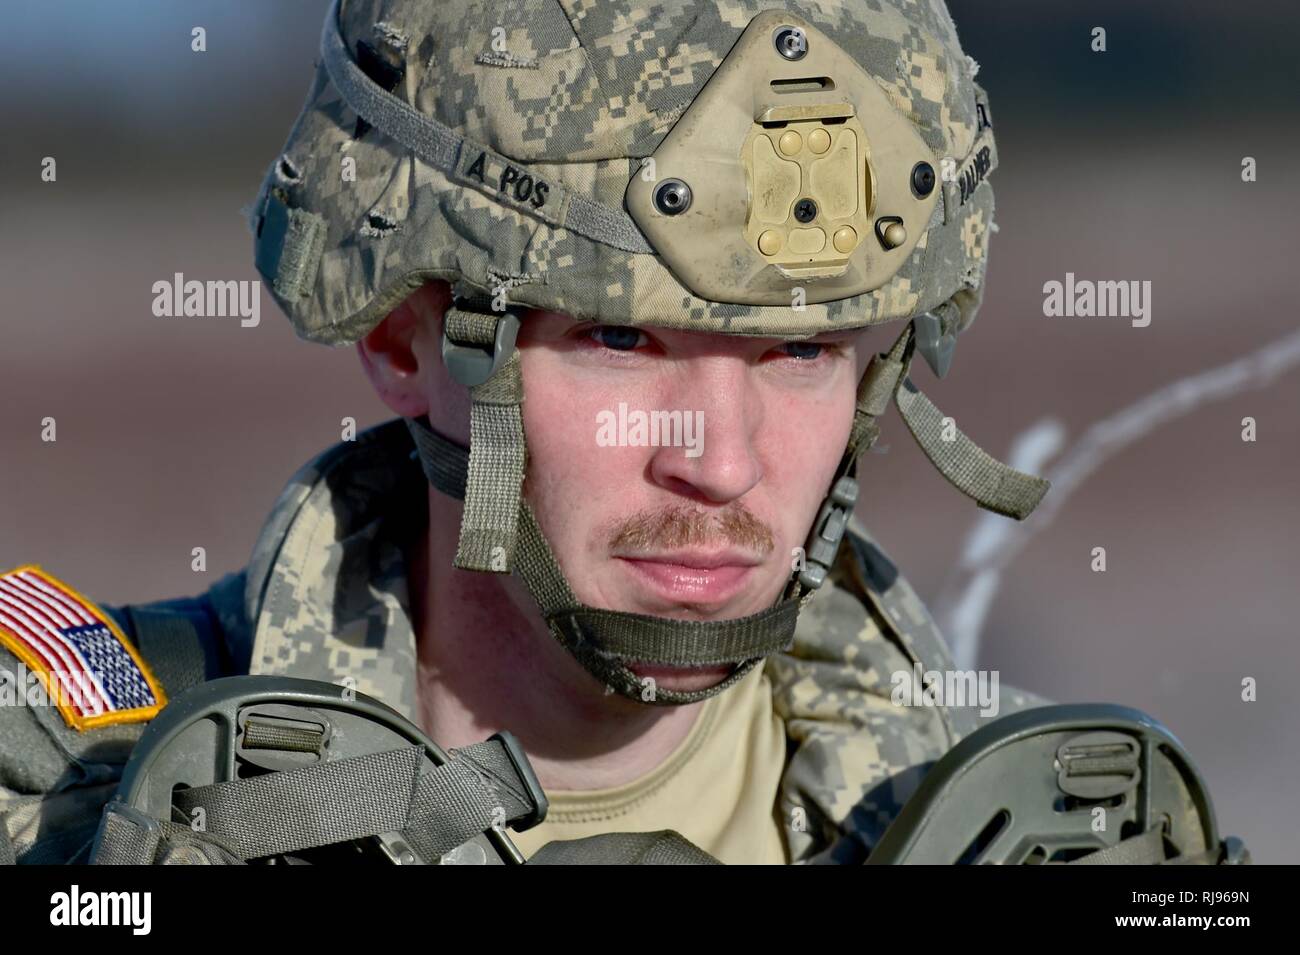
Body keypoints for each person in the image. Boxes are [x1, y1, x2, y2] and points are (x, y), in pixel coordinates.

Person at [1, 0, 1052, 865]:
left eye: (804, 351)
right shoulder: (72, 801)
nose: (721, 462)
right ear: (401, 340)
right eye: (620, 337)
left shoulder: (1039, 825)